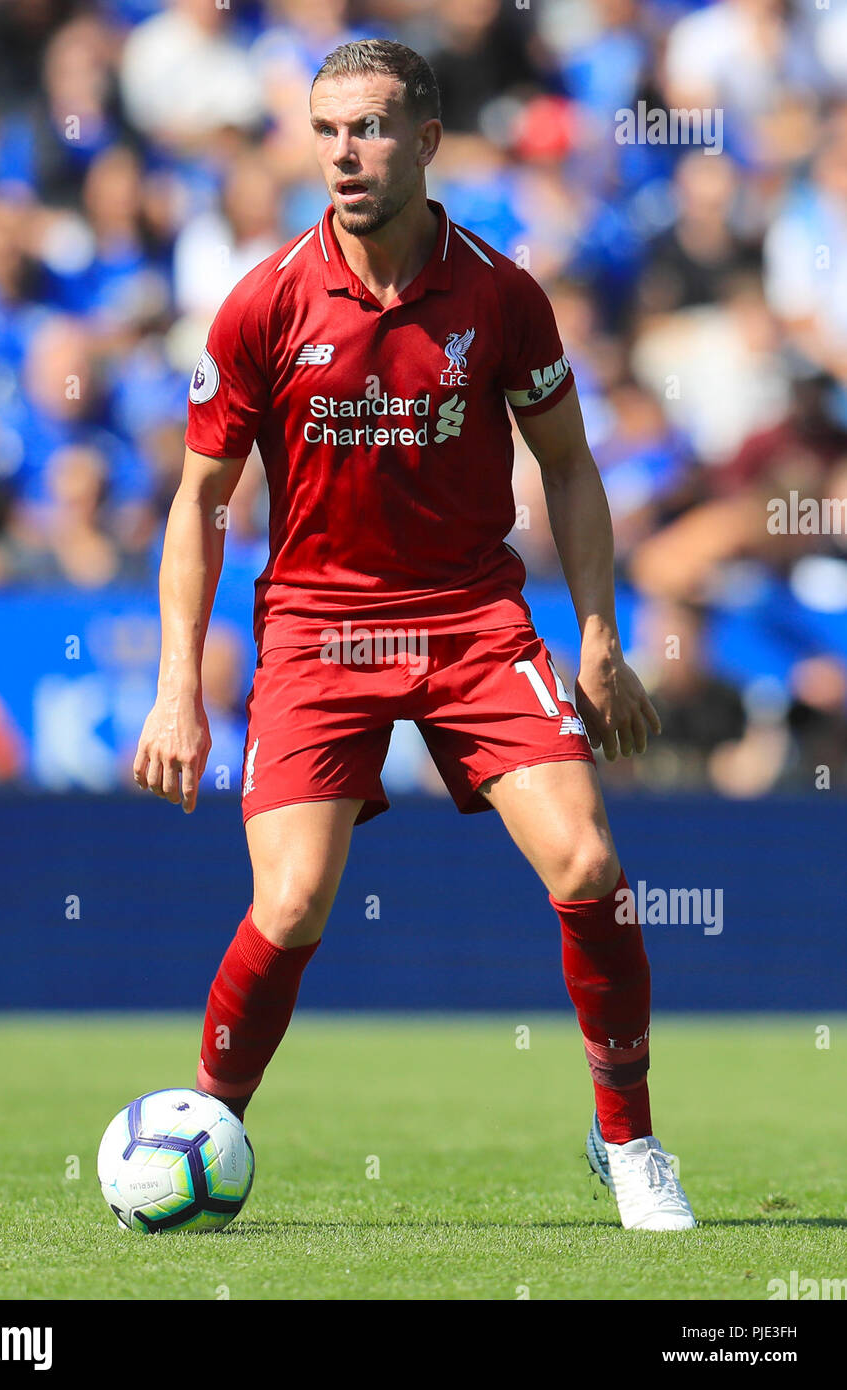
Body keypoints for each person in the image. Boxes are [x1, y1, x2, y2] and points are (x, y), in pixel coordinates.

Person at [133, 39, 695, 1231]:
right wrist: (174, 686)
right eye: (328, 130)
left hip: (472, 618)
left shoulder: (499, 292)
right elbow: (198, 500)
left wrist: (597, 630)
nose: (345, 153)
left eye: (373, 129)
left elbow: (569, 466)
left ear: (428, 142)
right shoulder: (263, 301)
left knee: (591, 867)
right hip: (316, 628)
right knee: (290, 907)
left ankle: (630, 1144)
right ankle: (202, 1125)